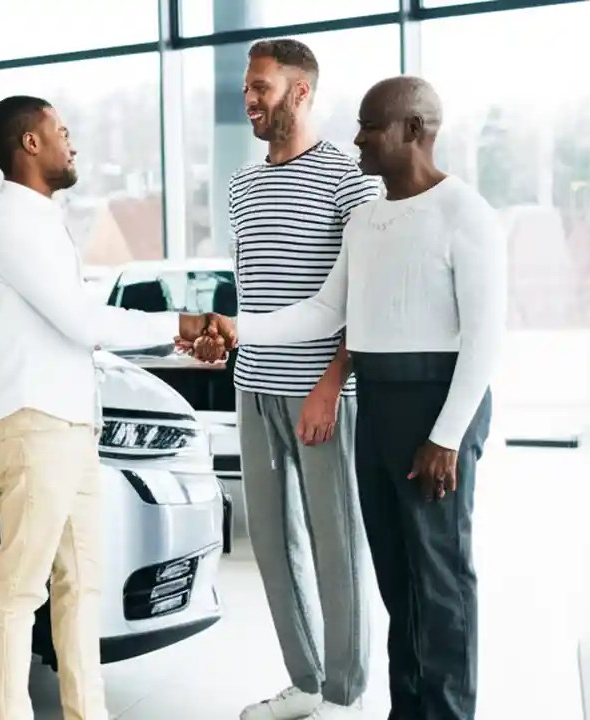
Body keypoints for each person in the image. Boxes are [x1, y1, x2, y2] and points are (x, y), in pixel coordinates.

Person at [189, 75, 507, 720]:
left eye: (371, 126)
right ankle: (408, 709)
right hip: (382, 401)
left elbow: (484, 339)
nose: (358, 137)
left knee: (441, 578)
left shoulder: (464, 212)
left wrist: (446, 436)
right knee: (396, 575)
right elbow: (323, 309)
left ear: (413, 130)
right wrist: (240, 326)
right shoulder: (366, 218)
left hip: (438, 403)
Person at [0, 95, 229, 720]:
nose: (72, 142)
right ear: (29, 145)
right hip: (35, 427)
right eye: (62, 131)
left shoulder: (38, 221)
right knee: (19, 590)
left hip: (69, 429)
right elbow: (81, 320)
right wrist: (183, 322)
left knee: (82, 586)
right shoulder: (12, 224)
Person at [227, 38, 380, 720]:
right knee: (270, 542)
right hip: (252, 385)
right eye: (248, 87)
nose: (249, 98)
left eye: (261, 86)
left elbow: (362, 298)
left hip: (323, 392)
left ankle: (346, 693)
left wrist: (332, 379)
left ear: (301, 91)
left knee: (335, 544)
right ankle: (308, 680)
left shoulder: (352, 180)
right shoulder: (243, 185)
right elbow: (259, 289)